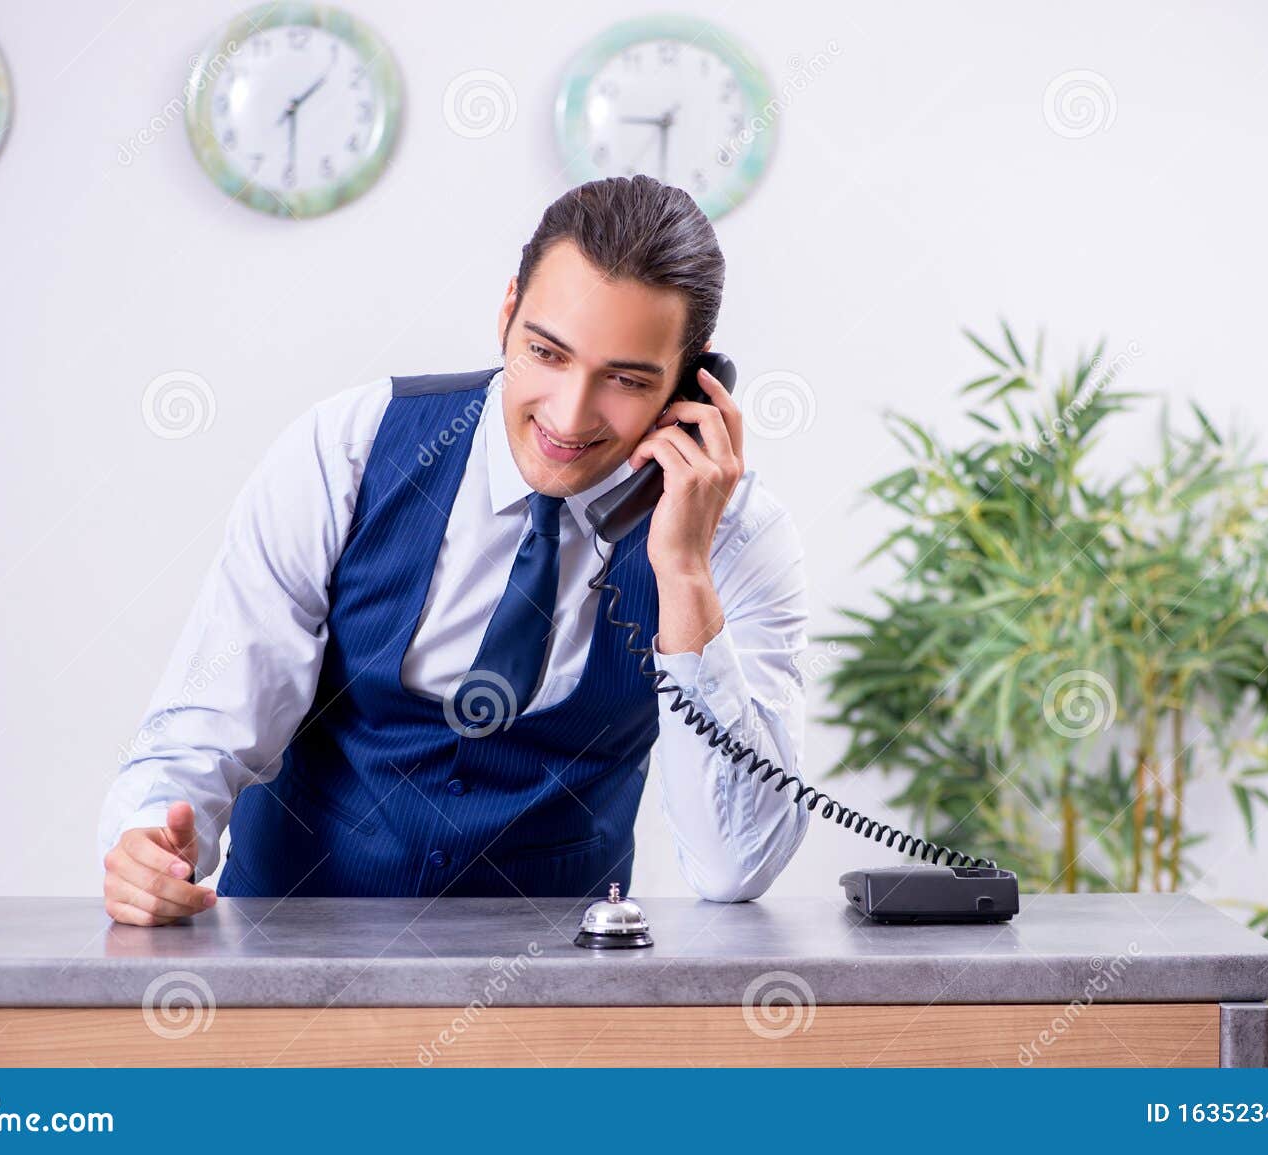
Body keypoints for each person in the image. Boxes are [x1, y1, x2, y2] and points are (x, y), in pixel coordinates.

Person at [96, 175, 810, 926]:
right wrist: (149, 840)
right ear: (507, 314)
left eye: (625, 380)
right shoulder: (347, 449)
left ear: (692, 385)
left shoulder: (738, 534)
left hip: (552, 1001)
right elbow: (206, 721)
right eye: (547, 353)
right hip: (288, 971)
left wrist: (686, 574)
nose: (568, 416)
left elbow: (738, 863)